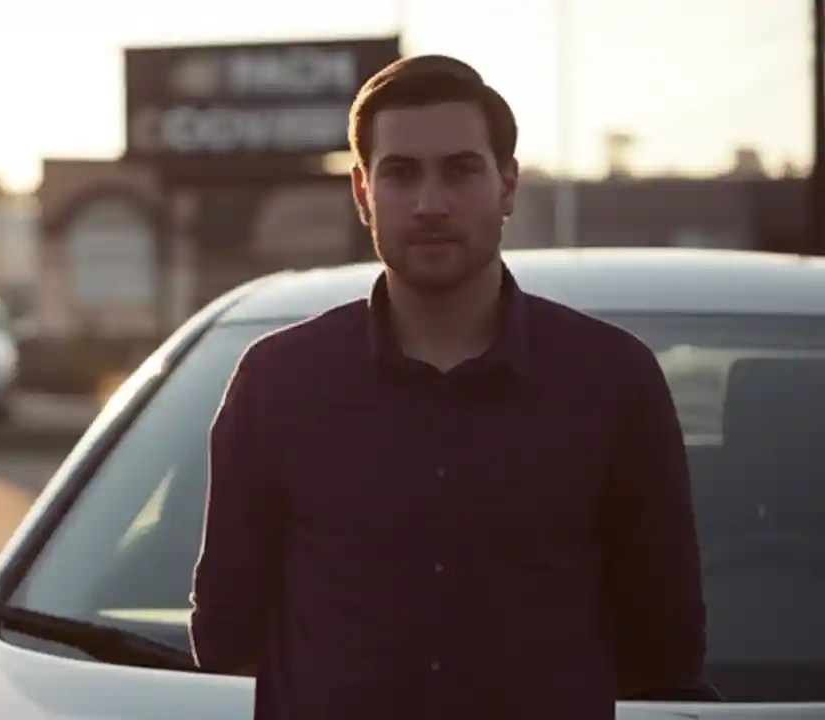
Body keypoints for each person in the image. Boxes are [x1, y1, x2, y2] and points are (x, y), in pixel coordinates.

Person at [188, 54, 708, 719]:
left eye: (460, 170)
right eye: (401, 173)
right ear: (362, 193)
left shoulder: (612, 381)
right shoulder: (278, 383)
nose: (430, 204)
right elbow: (226, 634)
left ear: (508, 184)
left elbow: (663, 642)